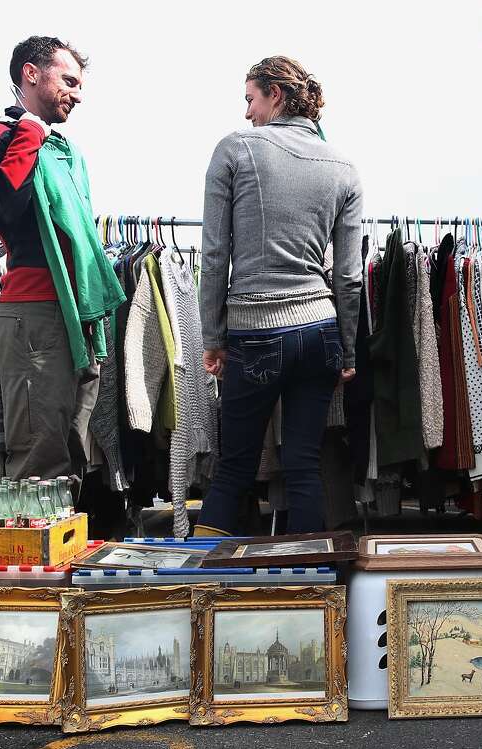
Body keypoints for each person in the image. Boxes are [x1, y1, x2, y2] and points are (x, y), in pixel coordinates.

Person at [196, 56, 363, 535]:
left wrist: (213, 336)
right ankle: (312, 598)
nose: (247, 112)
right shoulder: (345, 168)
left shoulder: (235, 149)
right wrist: (347, 351)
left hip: (255, 331)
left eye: (251, 99)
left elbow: (214, 255)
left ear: (277, 95)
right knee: (304, 466)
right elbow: (348, 275)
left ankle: (207, 596)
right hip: (321, 334)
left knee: (235, 472)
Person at [0, 35, 114, 481]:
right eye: (68, 80)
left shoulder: (63, 151)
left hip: (75, 312)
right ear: (31, 74)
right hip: (35, 310)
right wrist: (29, 133)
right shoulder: (1, 135)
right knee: (38, 452)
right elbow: (2, 207)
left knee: (70, 444)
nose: (77, 94)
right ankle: (30, 549)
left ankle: (61, 545)